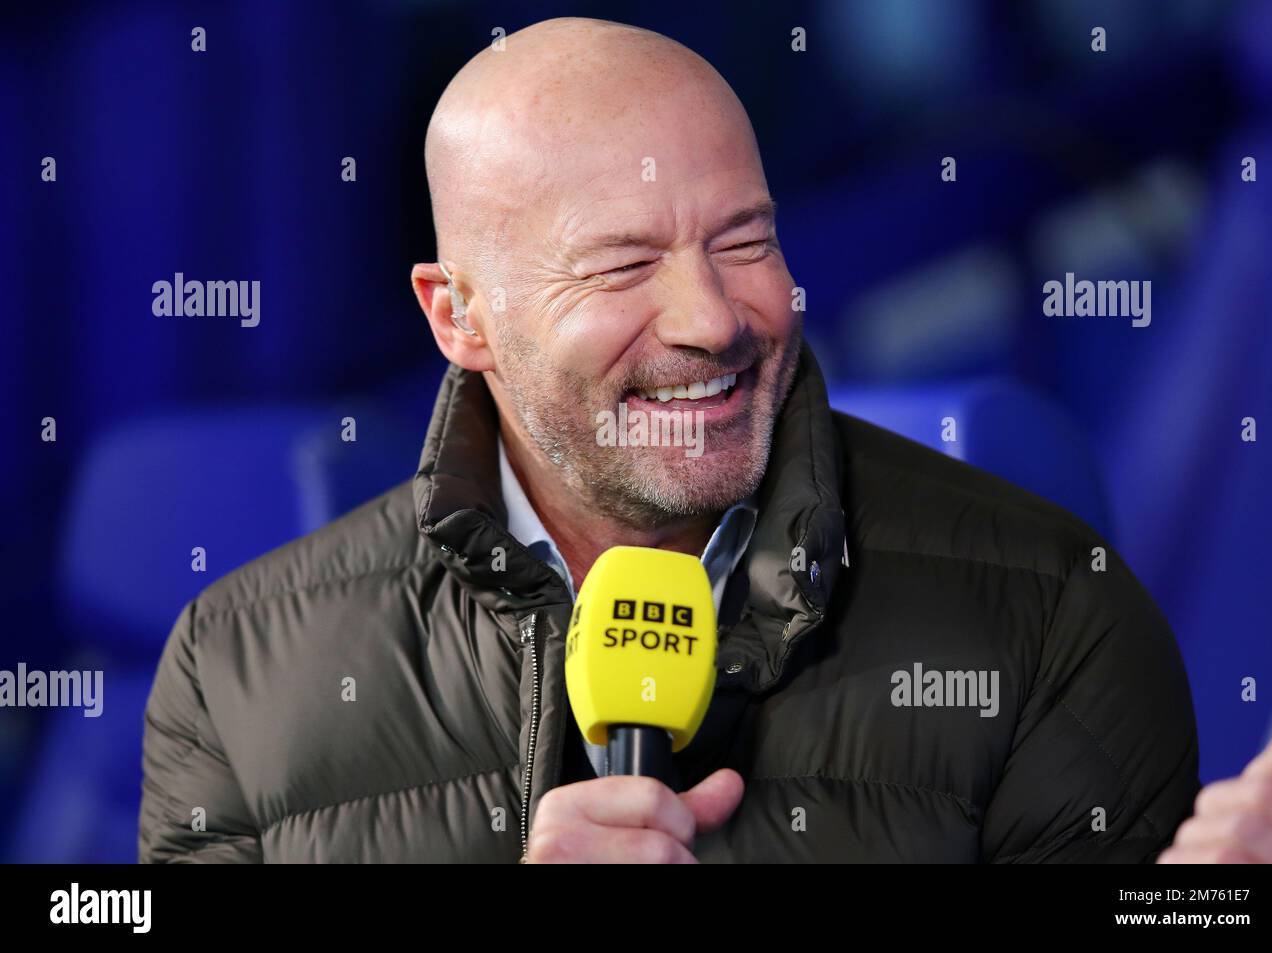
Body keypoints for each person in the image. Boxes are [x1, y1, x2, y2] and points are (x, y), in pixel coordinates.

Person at [140, 17, 1200, 863]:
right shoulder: (233, 667)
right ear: (457, 315)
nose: (714, 316)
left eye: (744, 239)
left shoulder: (1060, 613)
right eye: (620, 265)